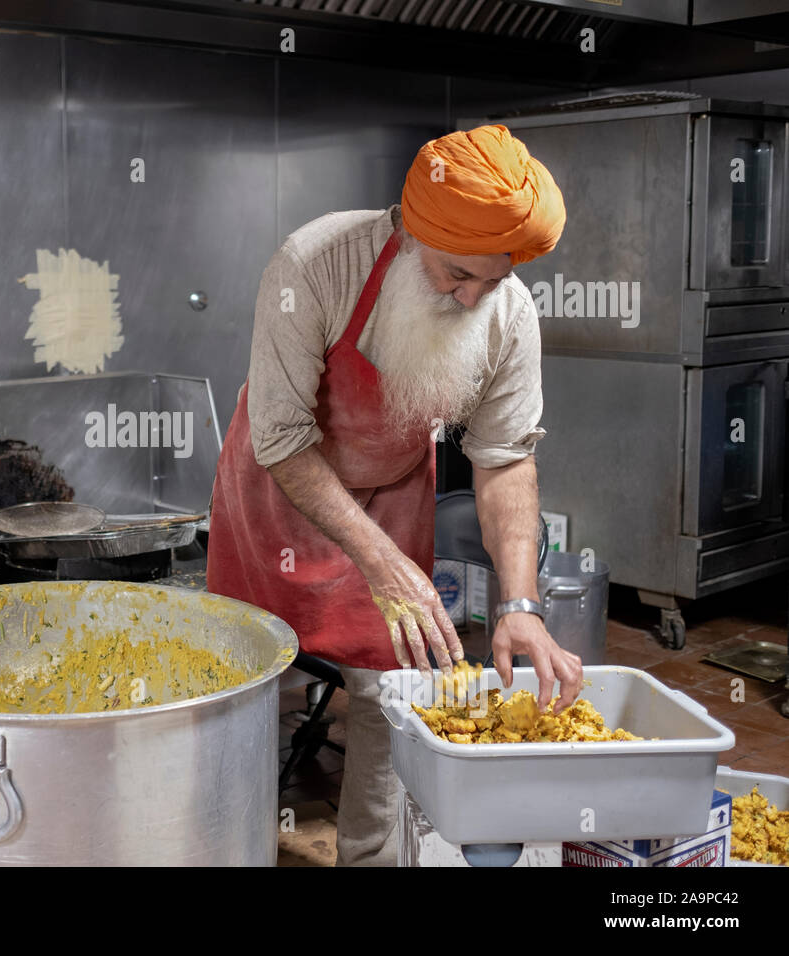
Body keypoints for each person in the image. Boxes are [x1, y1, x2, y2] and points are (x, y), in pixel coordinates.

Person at [206, 125, 584, 866]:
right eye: (455, 275)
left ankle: (371, 854)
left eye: (493, 279)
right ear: (410, 234)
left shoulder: (506, 314)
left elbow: (505, 461)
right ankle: (231, 845)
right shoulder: (314, 265)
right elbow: (281, 439)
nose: (472, 297)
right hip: (275, 496)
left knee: (390, 691)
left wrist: (520, 607)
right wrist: (385, 565)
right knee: (251, 691)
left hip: (390, 498)